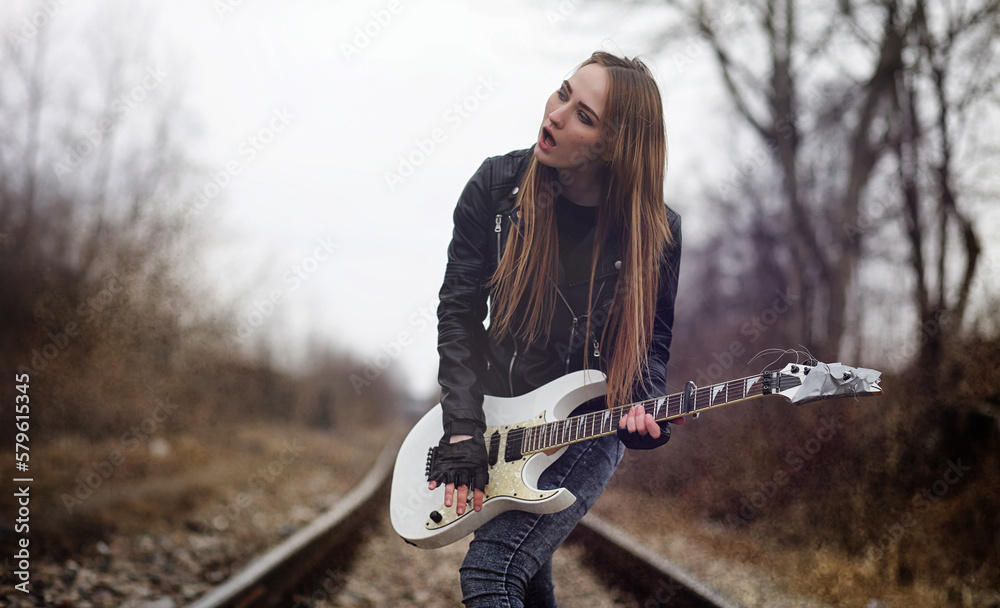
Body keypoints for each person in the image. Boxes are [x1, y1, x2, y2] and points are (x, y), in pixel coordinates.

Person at [427, 50, 683, 607]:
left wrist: (646, 404)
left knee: (491, 574)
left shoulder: (655, 232)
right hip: (504, 418)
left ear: (614, 147)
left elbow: (651, 342)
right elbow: (460, 314)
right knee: (526, 573)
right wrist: (465, 428)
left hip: (586, 427)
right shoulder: (495, 188)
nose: (557, 114)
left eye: (584, 115)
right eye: (562, 92)